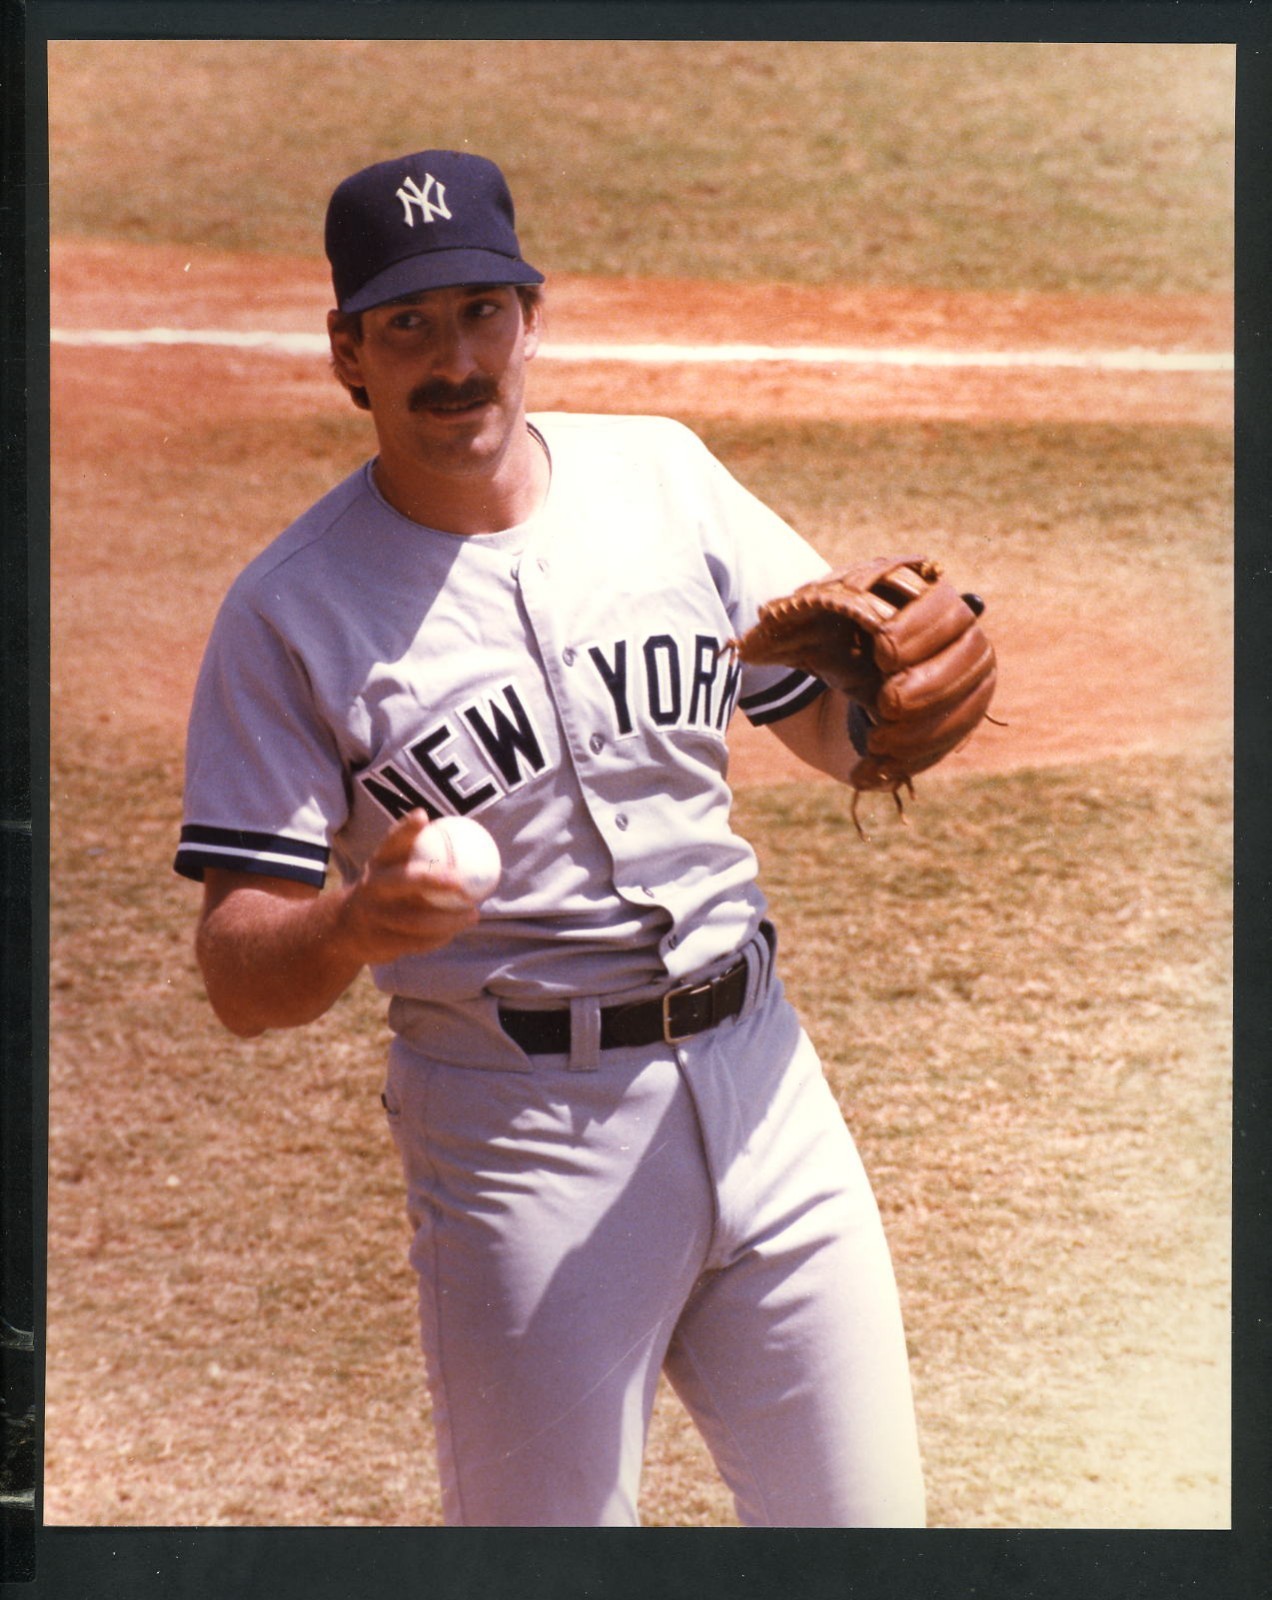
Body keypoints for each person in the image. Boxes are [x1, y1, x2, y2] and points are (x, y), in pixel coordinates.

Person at [175, 149, 941, 1528]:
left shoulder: (663, 477)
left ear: (532, 314)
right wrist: (351, 926)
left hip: (766, 1086)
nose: (453, 359)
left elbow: (825, 725)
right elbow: (238, 970)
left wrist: (888, 719)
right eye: (407, 325)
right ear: (348, 353)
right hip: (525, 1141)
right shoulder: (286, 614)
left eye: (479, 310)